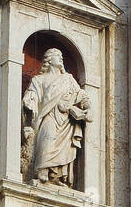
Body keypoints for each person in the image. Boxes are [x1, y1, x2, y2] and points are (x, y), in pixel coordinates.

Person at [21, 47, 91, 187]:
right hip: (48, 116)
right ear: (48, 60)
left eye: (61, 56)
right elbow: (31, 97)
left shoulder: (69, 79)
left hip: (67, 121)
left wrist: (87, 108)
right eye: (57, 55)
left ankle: (56, 177)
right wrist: (30, 101)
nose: (61, 58)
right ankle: (42, 171)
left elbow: (82, 96)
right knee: (47, 139)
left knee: (65, 150)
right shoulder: (39, 80)